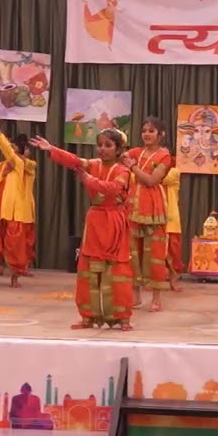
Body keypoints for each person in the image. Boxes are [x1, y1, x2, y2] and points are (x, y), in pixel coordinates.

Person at [31, 130, 135, 330]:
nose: (102, 149)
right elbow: (74, 161)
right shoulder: (93, 164)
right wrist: (51, 148)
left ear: (118, 149)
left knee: (116, 270)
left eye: (108, 145)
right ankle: (88, 317)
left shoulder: (123, 171)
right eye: (100, 145)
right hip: (95, 221)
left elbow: (113, 189)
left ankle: (123, 318)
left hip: (114, 221)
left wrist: (88, 180)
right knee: (88, 270)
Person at [0, 119, 37, 287]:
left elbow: (11, 154)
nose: (11, 149)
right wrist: (4, 171)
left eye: (14, 147)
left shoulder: (27, 164)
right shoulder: (1, 166)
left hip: (19, 213)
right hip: (1, 211)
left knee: (15, 246)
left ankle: (15, 277)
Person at [123, 118, 172, 311]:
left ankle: (156, 298)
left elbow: (152, 180)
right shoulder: (136, 152)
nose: (146, 134)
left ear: (161, 134)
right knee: (133, 252)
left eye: (151, 131)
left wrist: (133, 167)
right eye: (144, 130)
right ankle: (135, 296)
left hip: (153, 207)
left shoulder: (165, 156)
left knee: (155, 253)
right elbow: (118, 155)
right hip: (133, 206)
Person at [163, 163, 185, 291]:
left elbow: (163, 179)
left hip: (170, 218)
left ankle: (174, 278)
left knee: (173, 251)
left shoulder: (174, 172)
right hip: (153, 216)